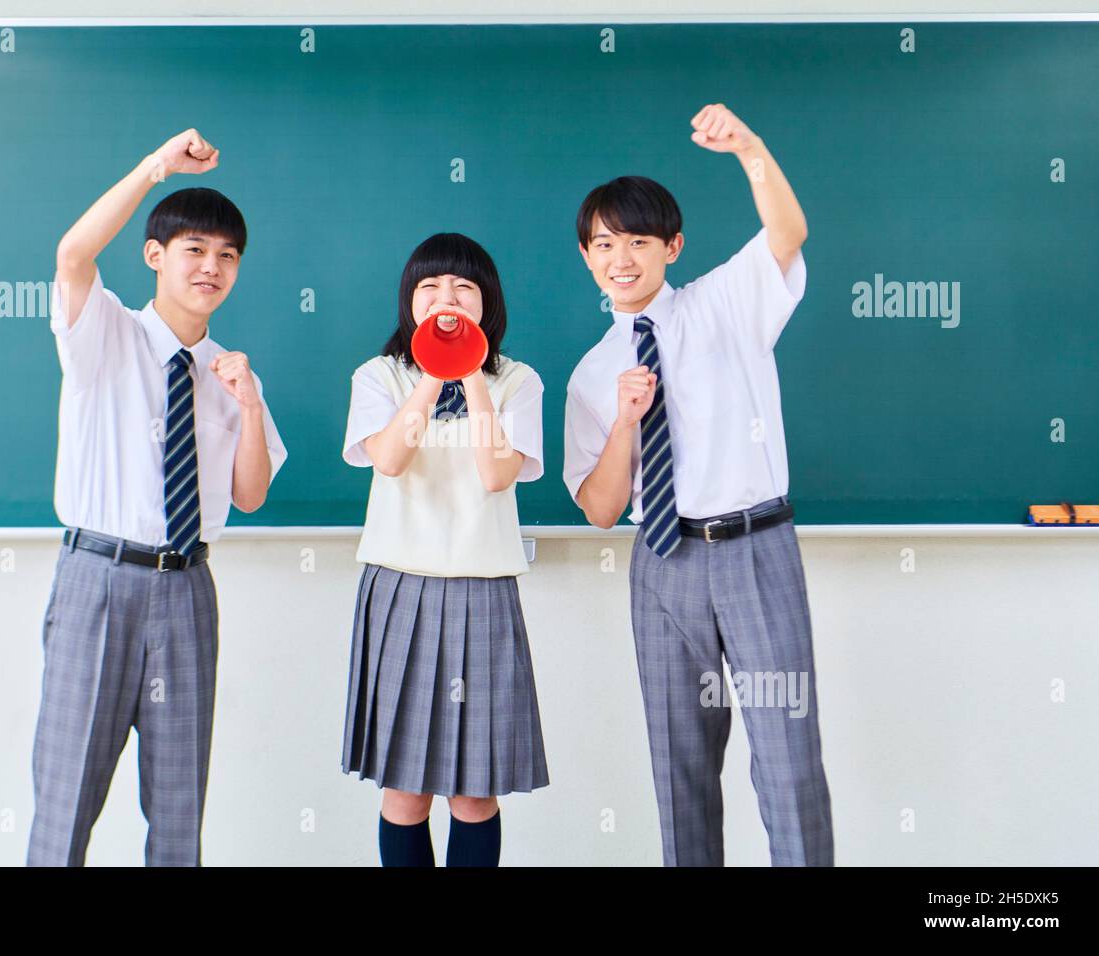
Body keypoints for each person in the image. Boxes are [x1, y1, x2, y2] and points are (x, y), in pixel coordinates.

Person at [563, 104, 834, 866]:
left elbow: (787, 234)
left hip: (755, 550)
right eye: (605, 244)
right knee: (679, 769)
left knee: (787, 762)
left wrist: (749, 146)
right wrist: (623, 422)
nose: (623, 258)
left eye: (639, 241)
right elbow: (600, 509)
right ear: (587, 256)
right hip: (663, 565)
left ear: (671, 247)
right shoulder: (590, 375)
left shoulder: (724, 303)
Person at [28, 129, 287, 866]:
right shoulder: (105, 332)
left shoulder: (231, 372)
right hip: (98, 582)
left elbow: (253, 493)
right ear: (156, 256)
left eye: (227, 256)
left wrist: (251, 408)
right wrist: (154, 169)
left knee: (178, 814)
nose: (212, 267)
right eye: (195, 250)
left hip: (187, 590)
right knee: (66, 800)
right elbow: (73, 255)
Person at [340, 233, 550, 867]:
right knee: (405, 791)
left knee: (473, 793)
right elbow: (390, 460)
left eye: (462, 286)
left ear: (487, 302)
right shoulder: (379, 375)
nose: (445, 298)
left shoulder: (519, 381)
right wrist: (433, 375)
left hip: (483, 590)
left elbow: (494, 474)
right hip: (400, 586)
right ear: (409, 300)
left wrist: (474, 373)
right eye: (429, 287)